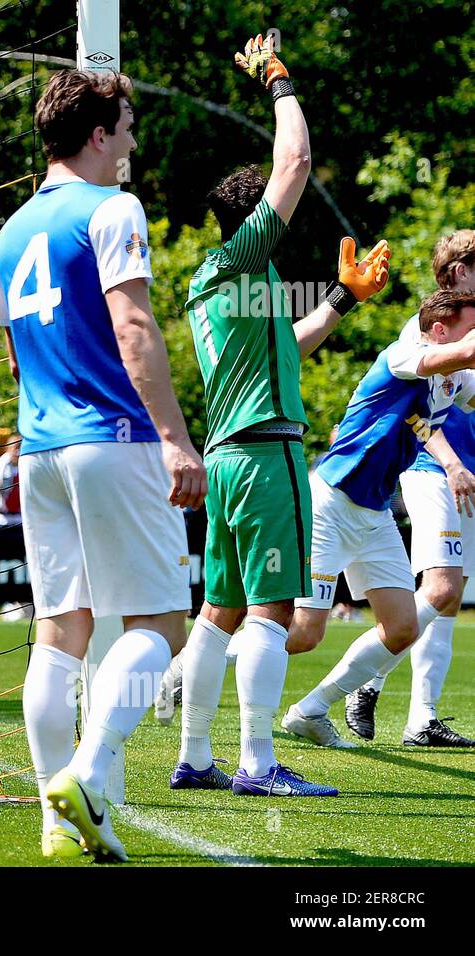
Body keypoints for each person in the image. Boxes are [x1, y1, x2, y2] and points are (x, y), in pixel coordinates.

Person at [171, 33, 392, 800]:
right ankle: (258, 764)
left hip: (229, 456)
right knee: (268, 610)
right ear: (254, 220)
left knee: (219, 611)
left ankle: (195, 757)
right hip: (264, 460)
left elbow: (289, 345)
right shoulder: (244, 259)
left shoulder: (214, 284)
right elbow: (293, 162)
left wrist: (342, 300)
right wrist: (277, 77)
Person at [0, 67, 206, 860]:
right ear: (96, 133)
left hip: (39, 449)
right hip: (112, 439)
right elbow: (135, 330)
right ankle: (87, 774)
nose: (132, 140)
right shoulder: (114, 208)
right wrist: (178, 440)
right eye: (125, 125)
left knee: (60, 632)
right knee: (160, 623)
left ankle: (57, 821)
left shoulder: (10, 233)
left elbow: (16, 360)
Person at [281, 290, 475, 750]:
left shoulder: (451, 381)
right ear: (440, 331)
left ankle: (310, 709)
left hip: (374, 513)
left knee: (403, 626)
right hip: (330, 502)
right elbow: (467, 352)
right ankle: (195, 665)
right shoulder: (408, 353)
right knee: (305, 632)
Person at [345, 232, 475, 748]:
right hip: (431, 470)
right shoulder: (429, 327)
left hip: (463, 474)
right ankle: (363, 683)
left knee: (449, 595)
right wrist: (449, 463)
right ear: (458, 272)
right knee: (440, 588)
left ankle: (422, 717)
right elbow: (420, 416)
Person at [0, 434, 22, 527]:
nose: (17, 451)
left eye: (20, 448)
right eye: (15, 447)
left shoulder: (27, 466)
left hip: (20, 519)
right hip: (1, 519)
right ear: (8, 448)